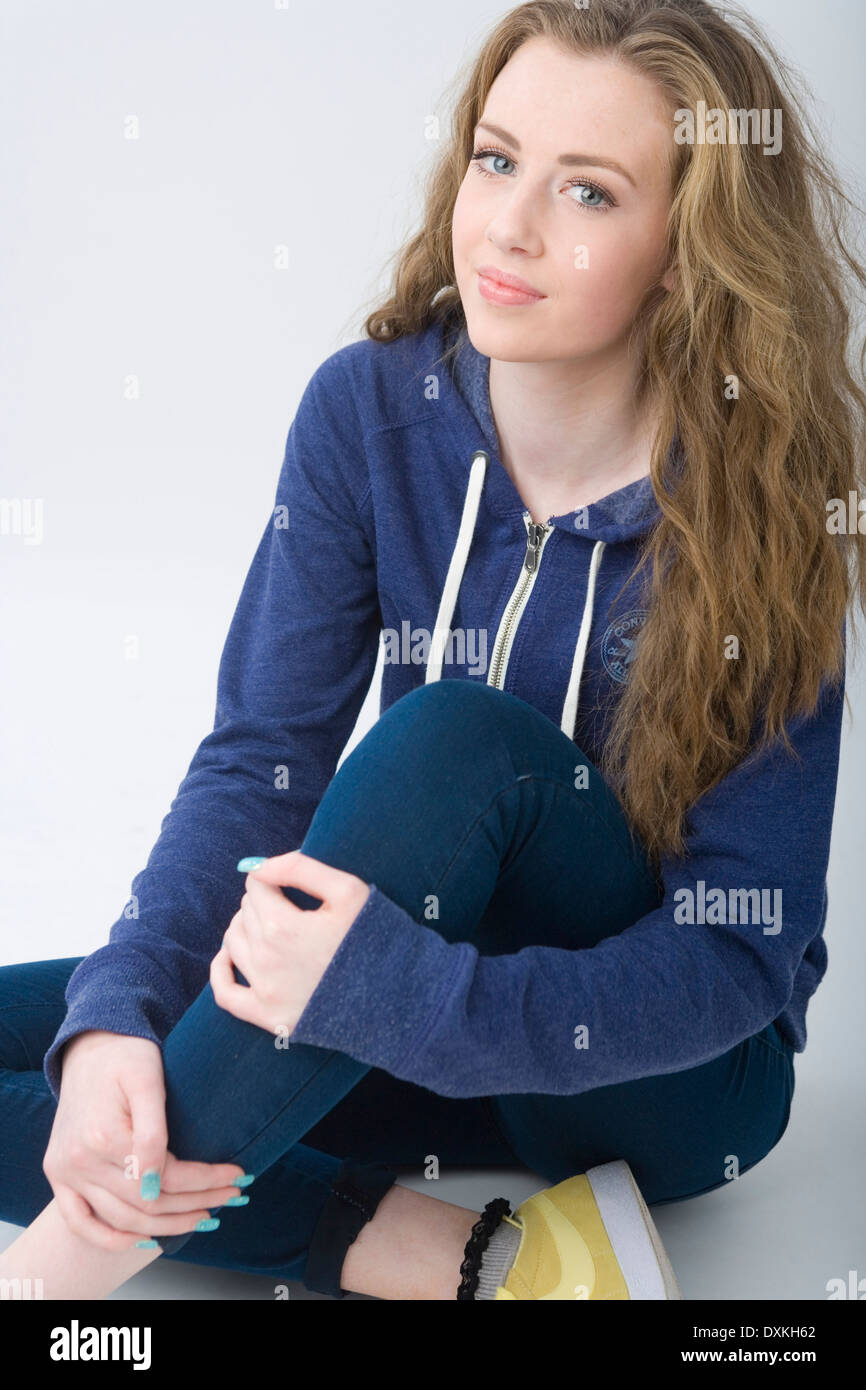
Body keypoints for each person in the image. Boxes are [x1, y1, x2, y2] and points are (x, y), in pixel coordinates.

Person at [1, 0, 864, 1302]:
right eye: (495, 157)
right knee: (74, 1050)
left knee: (458, 739)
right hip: (397, 996)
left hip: (666, 1079)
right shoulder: (365, 414)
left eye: (585, 191)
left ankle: (63, 1277)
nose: (509, 224)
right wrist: (122, 1010)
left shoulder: (766, 500)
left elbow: (734, 957)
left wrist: (408, 1001)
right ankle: (468, 1259)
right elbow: (258, 762)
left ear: (683, 252)